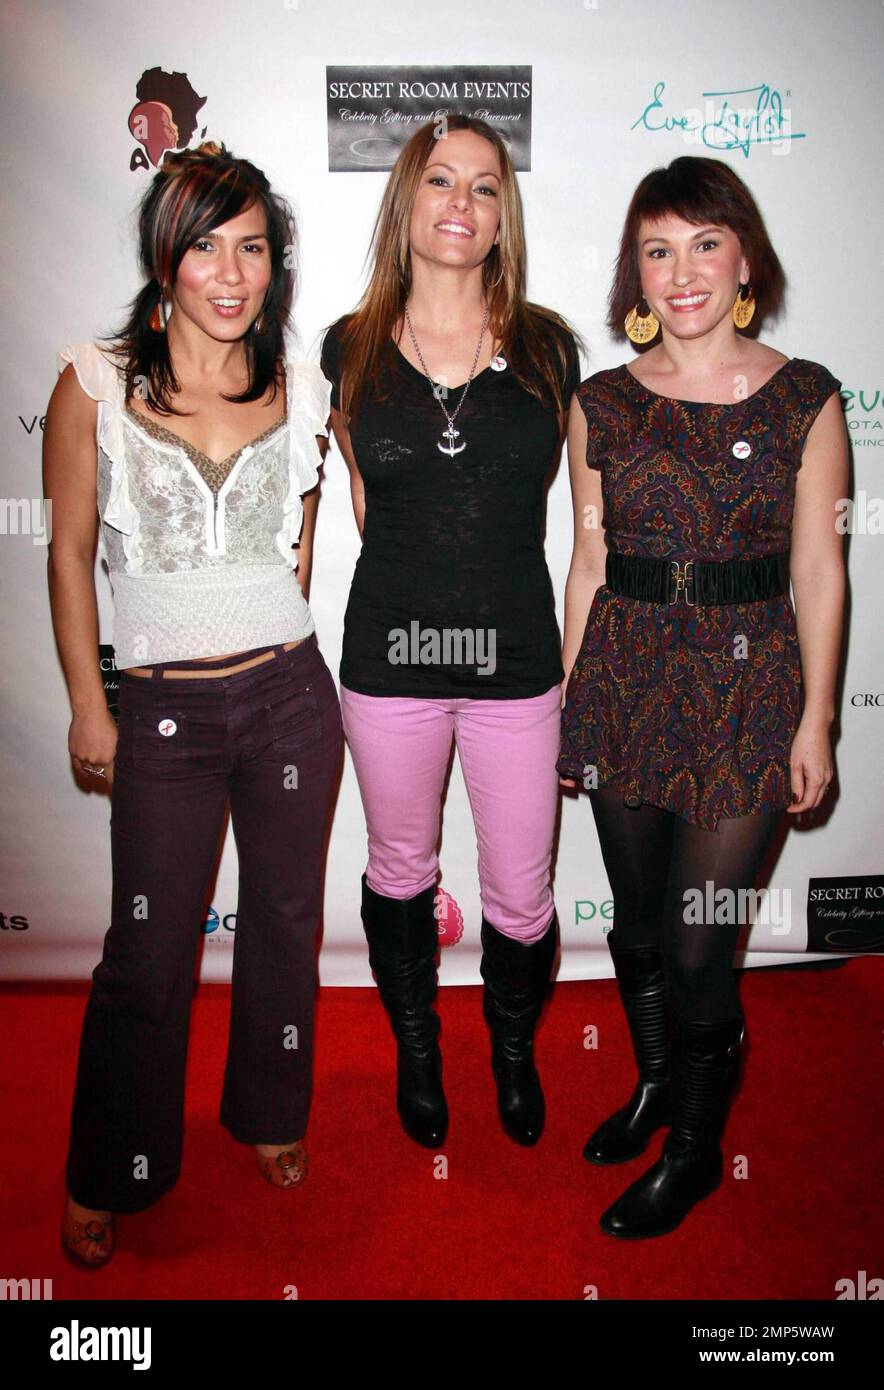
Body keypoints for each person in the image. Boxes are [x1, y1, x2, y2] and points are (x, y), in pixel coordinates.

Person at [43, 142, 342, 1267]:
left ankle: (268, 1110)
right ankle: (113, 1163)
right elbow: (68, 556)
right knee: (147, 947)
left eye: (252, 246)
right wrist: (91, 702)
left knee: (281, 922)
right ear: (163, 255)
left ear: (276, 263)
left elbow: (300, 545)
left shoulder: (300, 381)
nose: (230, 271)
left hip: (289, 699)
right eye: (205, 244)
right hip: (161, 708)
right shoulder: (92, 381)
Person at [557, 155, 848, 1238]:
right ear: (635, 274)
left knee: (696, 946)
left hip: (746, 690)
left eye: (701, 243)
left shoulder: (803, 397)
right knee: (635, 929)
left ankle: (692, 1150)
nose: (679, 272)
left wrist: (813, 718)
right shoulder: (598, 401)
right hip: (624, 677)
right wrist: (571, 699)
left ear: (742, 260)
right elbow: (586, 564)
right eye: (655, 249)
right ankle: (649, 1084)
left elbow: (820, 570)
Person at [320, 115, 583, 1150]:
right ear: (405, 200)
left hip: (517, 665)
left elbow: (588, 529)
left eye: (482, 186)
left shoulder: (549, 346)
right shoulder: (347, 346)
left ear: (501, 213)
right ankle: (418, 1050)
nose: (460, 204)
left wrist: (573, 666)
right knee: (400, 870)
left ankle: (509, 1053)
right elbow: (363, 506)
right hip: (389, 661)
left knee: (521, 898)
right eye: (439, 181)